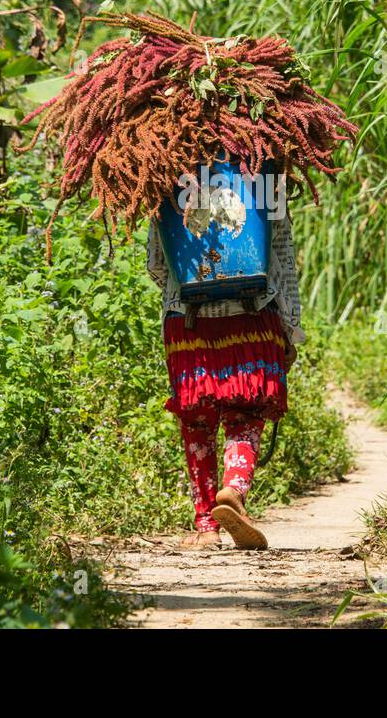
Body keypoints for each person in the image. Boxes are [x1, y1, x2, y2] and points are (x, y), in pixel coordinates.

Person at [146, 209, 305, 549]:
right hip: (254, 317)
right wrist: (291, 326)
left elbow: (157, 263)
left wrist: (192, 285)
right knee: (247, 414)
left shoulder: (164, 178)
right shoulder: (265, 177)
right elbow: (283, 257)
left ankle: (206, 527)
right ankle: (233, 489)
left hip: (187, 320)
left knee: (196, 420)